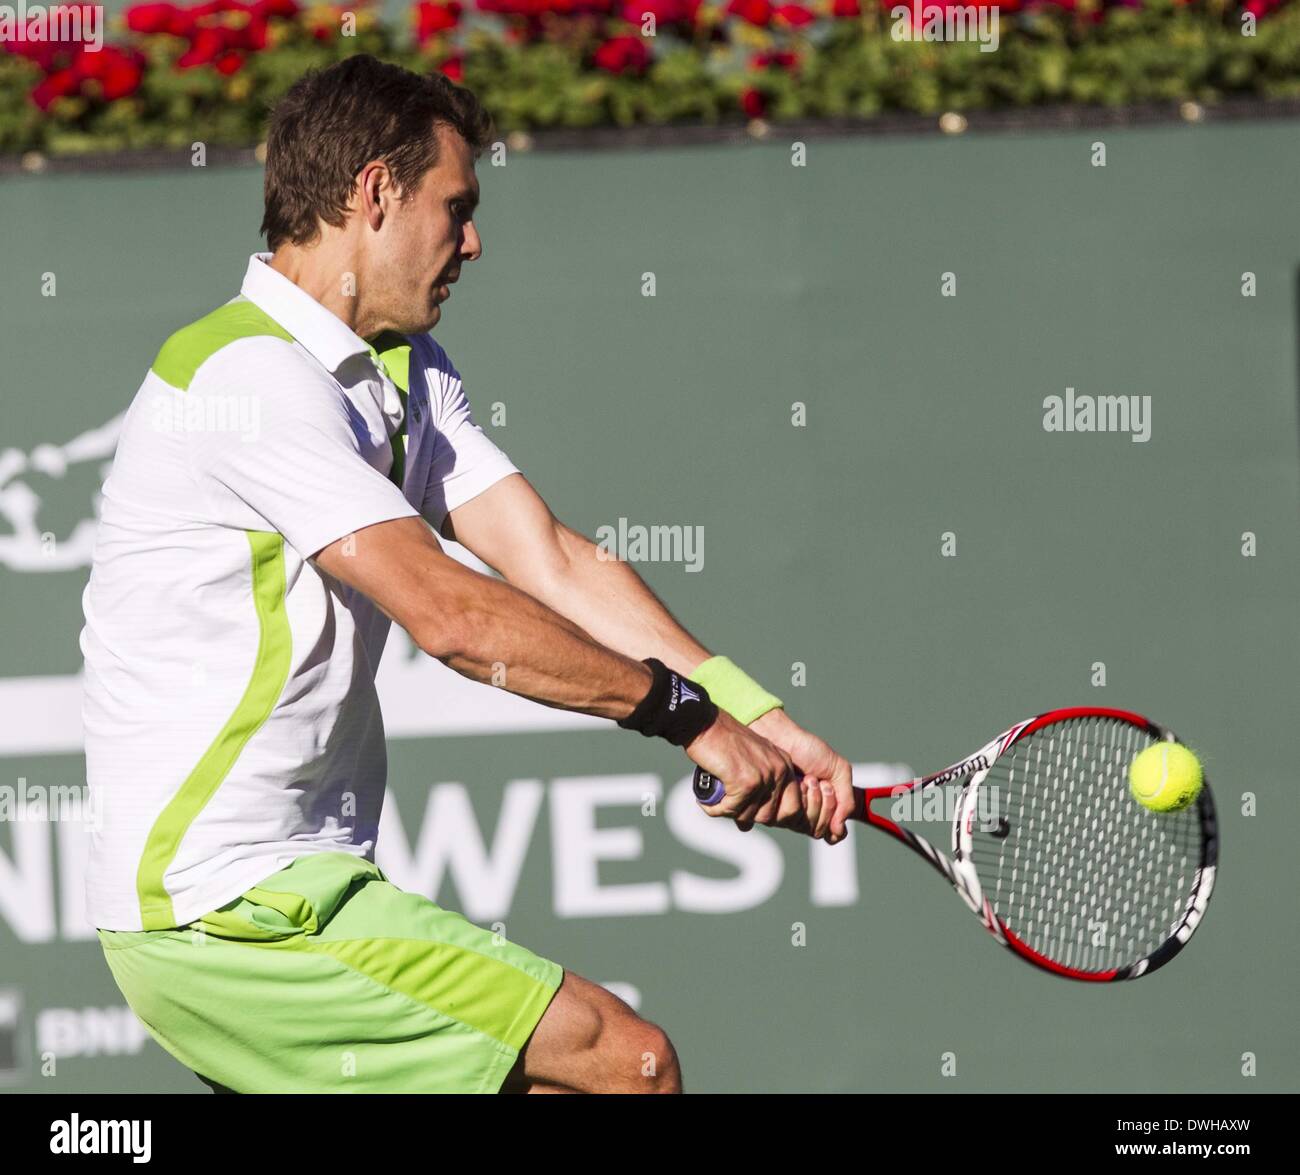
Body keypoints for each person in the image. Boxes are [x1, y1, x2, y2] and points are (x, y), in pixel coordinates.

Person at [80, 54, 855, 1095]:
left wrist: (754, 713)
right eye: (458, 206)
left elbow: (550, 559)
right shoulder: (246, 377)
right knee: (625, 1063)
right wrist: (691, 721)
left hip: (281, 895)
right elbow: (452, 615)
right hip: (230, 911)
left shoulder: (402, 368)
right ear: (373, 193)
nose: (474, 242)